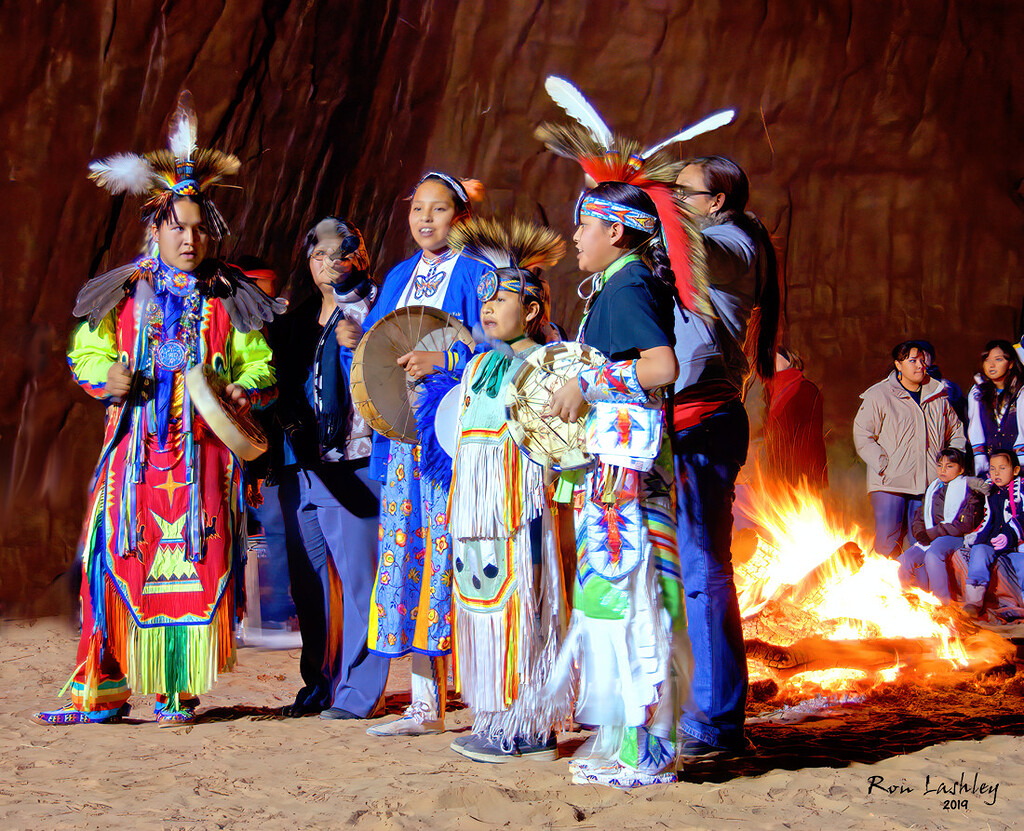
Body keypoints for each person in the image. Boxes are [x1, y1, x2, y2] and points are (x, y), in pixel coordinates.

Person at [33, 92, 278, 726]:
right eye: (178, 226)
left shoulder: (229, 296)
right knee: (111, 557)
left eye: (200, 228)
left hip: (202, 458)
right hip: (135, 458)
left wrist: (242, 389)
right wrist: (104, 376)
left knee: (195, 567)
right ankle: (102, 689)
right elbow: (85, 352)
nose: (190, 238)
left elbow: (259, 364)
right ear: (155, 229)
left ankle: (180, 688)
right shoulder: (123, 291)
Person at [536, 121, 689, 788]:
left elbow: (660, 365)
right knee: (617, 600)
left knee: (641, 600)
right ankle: (628, 735)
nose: (574, 238)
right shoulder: (620, 284)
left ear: (616, 231)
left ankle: (652, 746)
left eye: (584, 225)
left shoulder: (627, 286)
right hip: (616, 476)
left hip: (634, 480)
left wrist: (589, 380)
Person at [335, 172, 490, 736]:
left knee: (457, 558)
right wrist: (359, 343)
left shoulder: (480, 273)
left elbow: (497, 347)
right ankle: (425, 703)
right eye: (417, 208)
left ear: (461, 216)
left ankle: (484, 695)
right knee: (408, 563)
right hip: (404, 445)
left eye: (439, 209)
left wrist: (445, 363)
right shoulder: (400, 276)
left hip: (453, 444)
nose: (426, 219)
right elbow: (381, 353)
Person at [438, 216, 571, 763]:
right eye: (485, 295)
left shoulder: (543, 366)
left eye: (503, 297)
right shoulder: (477, 366)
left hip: (518, 512)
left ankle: (526, 725)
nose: (488, 305)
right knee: (481, 605)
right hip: (474, 516)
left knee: (522, 607)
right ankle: (497, 717)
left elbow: (556, 444)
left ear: (534, 311)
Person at [669, 155, 782, 762]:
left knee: (704, 568)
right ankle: (695, 704)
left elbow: (688, 256)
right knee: (689, 568)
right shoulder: (716, 236)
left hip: (704, 422)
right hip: (687, 421)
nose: (671, 198)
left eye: (680, 190)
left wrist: (640, 197)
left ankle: (716, 719)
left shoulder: (732, 243)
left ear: (716, 201)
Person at [271, 217, 390, 719]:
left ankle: (360, 693)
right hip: (303, 469)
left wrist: (361, 341)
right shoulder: (292, 324)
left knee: (359, 580)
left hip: (356, 463)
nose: (329, 262)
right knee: (313, 585)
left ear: (359, 257)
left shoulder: (381, 309)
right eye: (319, 253)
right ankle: (321, 681)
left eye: (340, 252)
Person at [853, 341, 966, 559]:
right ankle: (885, 589)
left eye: (922, 361)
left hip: (927, 484)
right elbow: (862, 435)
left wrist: (949, 466)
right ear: (898, 364)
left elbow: (957, 433)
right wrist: (883, 464)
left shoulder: (938, 396)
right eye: (912, 361)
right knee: (887, 542)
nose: (919, 366)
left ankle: (915, 590)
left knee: (921, 543)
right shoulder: (879, 395)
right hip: (889, 483)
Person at [898, 447, 984, 603]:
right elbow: (920, 515)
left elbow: (964, 525)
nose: (943, 470)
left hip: (954, 537)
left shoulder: (968, 490)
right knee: (903, 561)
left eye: (949, 466)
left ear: (962, 468)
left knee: (933, 555)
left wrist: (933, 533)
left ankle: (942, 602)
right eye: (939, 465)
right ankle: (905, 601)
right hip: (930, 536)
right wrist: (919, 533)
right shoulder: (933, 488)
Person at [963, 450, 1023, 617]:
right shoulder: (991, 491)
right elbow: (988, 519)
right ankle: (974, 602)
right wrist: (977, 538)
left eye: (1002, 468)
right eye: (993, 469)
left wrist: (1010, 536)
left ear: (1015, 470)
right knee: (979, 551)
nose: (996, 473)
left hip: (1017, 544)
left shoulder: (1022, 489)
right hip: (993, 542)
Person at [762, 347, 828, 491]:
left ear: (789, 361)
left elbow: (807, 432)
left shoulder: (805, 388)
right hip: (778, 469)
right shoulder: (769, 392)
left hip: (802, 470)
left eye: (774, 357)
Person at [967, 340, 1024, 476]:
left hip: (1018, 465)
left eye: (998, 359)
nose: (991, 365)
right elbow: (975, 428)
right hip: (992, 467)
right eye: (987, 360)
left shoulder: (1021, 391)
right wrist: (981, 460)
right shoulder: (978, 393)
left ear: (1010, 363)